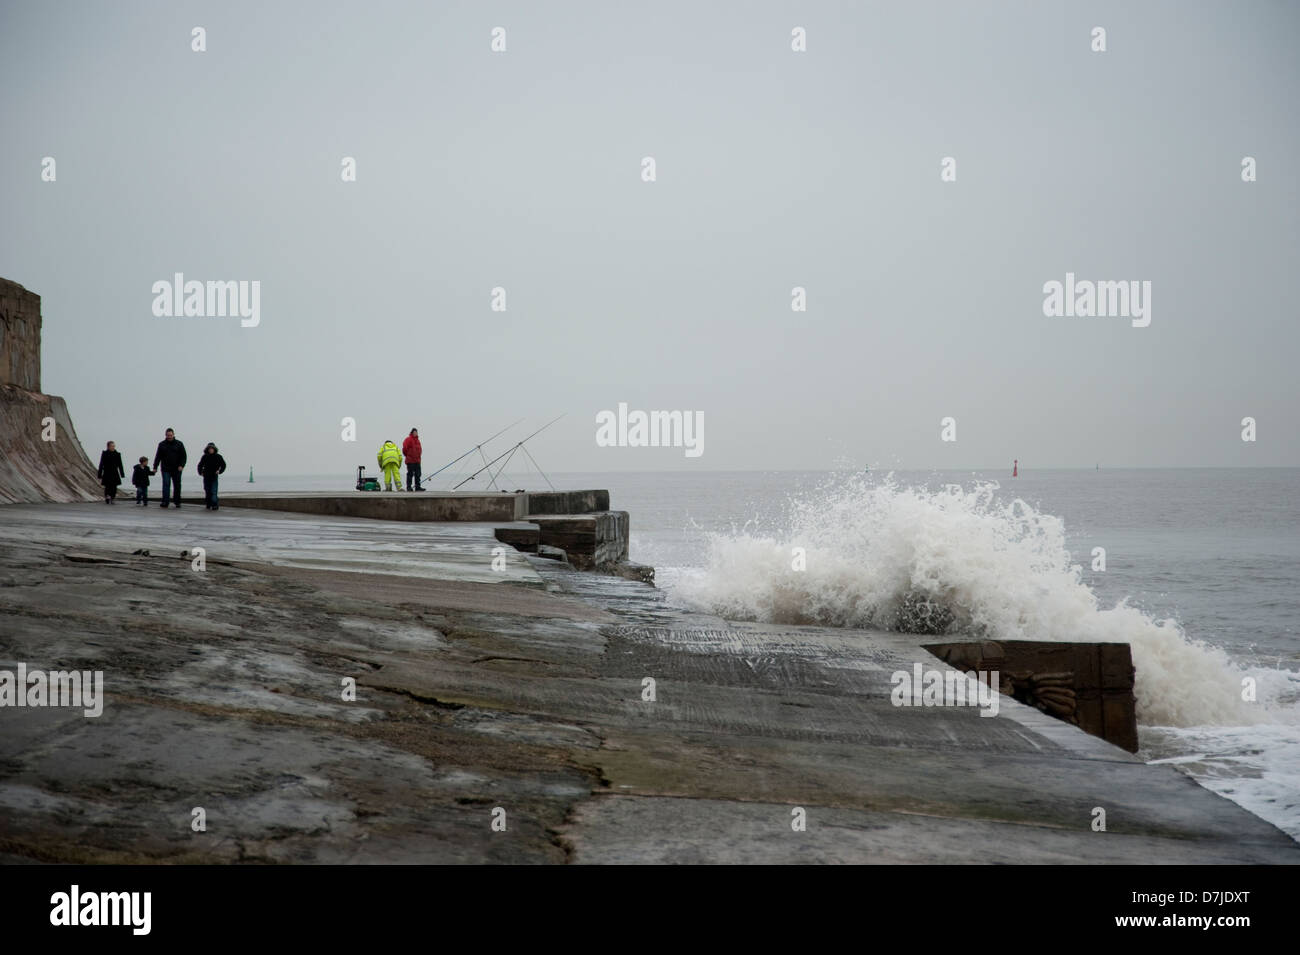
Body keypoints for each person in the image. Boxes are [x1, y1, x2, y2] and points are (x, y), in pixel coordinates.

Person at [153, 428, 187, 508]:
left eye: (171, 435)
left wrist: (181, 465)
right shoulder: (161, 444)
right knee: (166, 485)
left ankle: (177, 502)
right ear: (165, 435)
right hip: (165, 468)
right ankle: (165, 502)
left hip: (177, 468)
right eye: (168, 435)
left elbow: (184, 456)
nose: (169, 437)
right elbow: (158, 456)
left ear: (173, 435)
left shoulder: (179, 444)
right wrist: (155, 467)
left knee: (177, 485)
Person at [197, 442, 227, 510]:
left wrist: (219, 471)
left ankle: (215, 504)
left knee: (214, 491)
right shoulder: (204, 456)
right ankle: (208, 503)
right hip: (206, 476)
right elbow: (200, 465)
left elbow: (223, 465)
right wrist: (200, 472)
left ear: (214, 449)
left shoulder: (218, 456)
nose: (210, 450)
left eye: (212, 449)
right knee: (207, 491)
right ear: (207, 449)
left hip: (214, 476)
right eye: (209, 449)